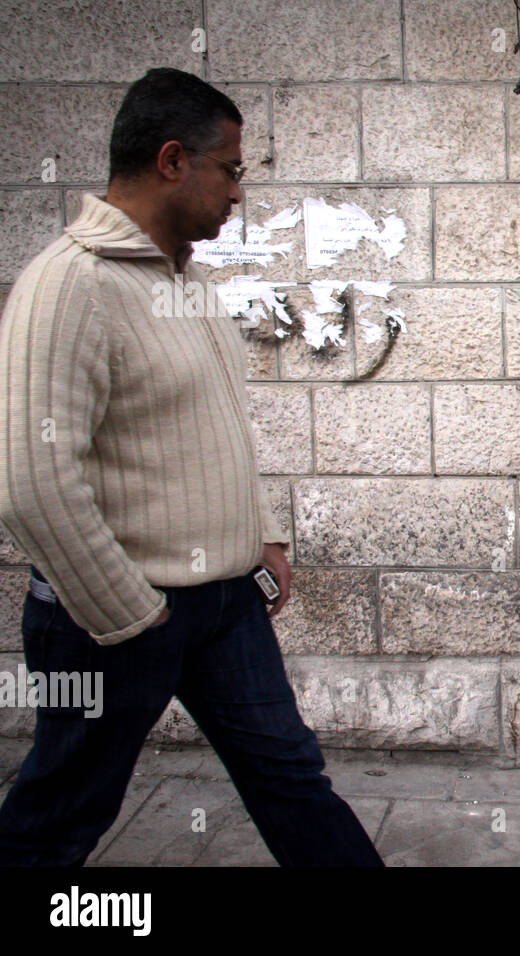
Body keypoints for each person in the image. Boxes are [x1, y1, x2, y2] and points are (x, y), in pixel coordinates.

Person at [0, 68, 382, 866]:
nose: (238, 192)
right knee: (62, 814)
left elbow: (216, 431)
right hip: (113, 617)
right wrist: (131, 616)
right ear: (173, 160)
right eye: (231, 169)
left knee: (290, 776)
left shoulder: (191, 287)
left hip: (223, 608)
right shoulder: (68, 287)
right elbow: (30, 483)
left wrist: (261, 537)